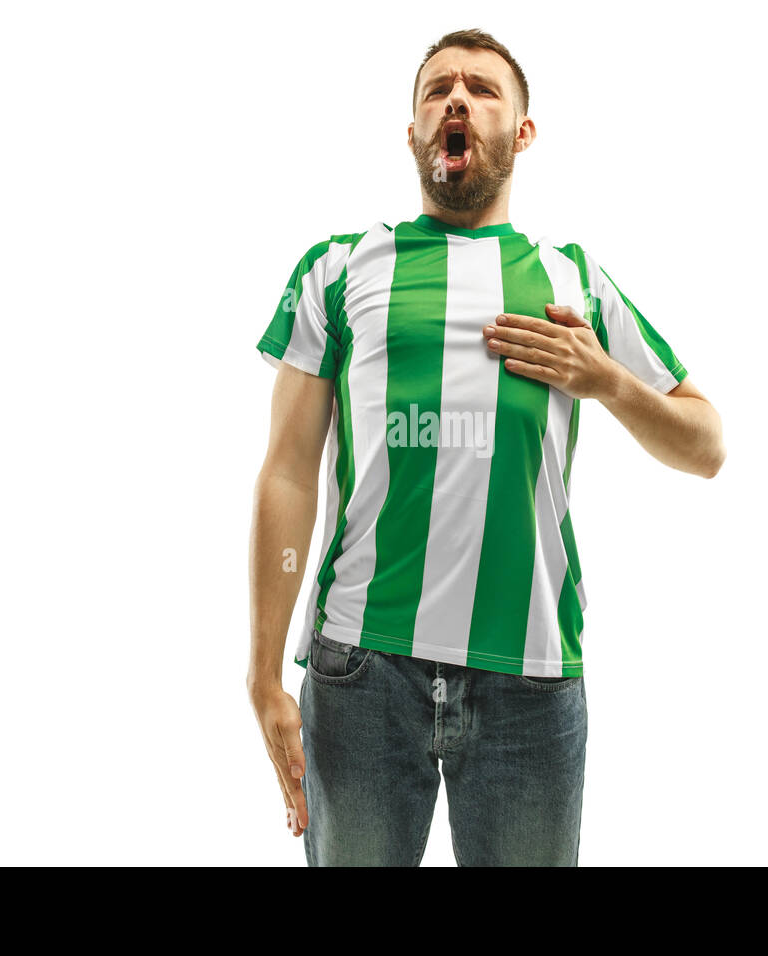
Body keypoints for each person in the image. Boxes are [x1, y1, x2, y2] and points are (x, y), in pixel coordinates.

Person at [247, 28, 726, 866]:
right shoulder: (340, 268)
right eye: (437, 91)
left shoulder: (574, 281)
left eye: (482, 89)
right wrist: (261, 676)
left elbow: (707, 444)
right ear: (414, 133)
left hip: (531, 680)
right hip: (362, 672)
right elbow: (287, 471)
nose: (457, 100)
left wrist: (606, 379)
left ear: (523, 131)